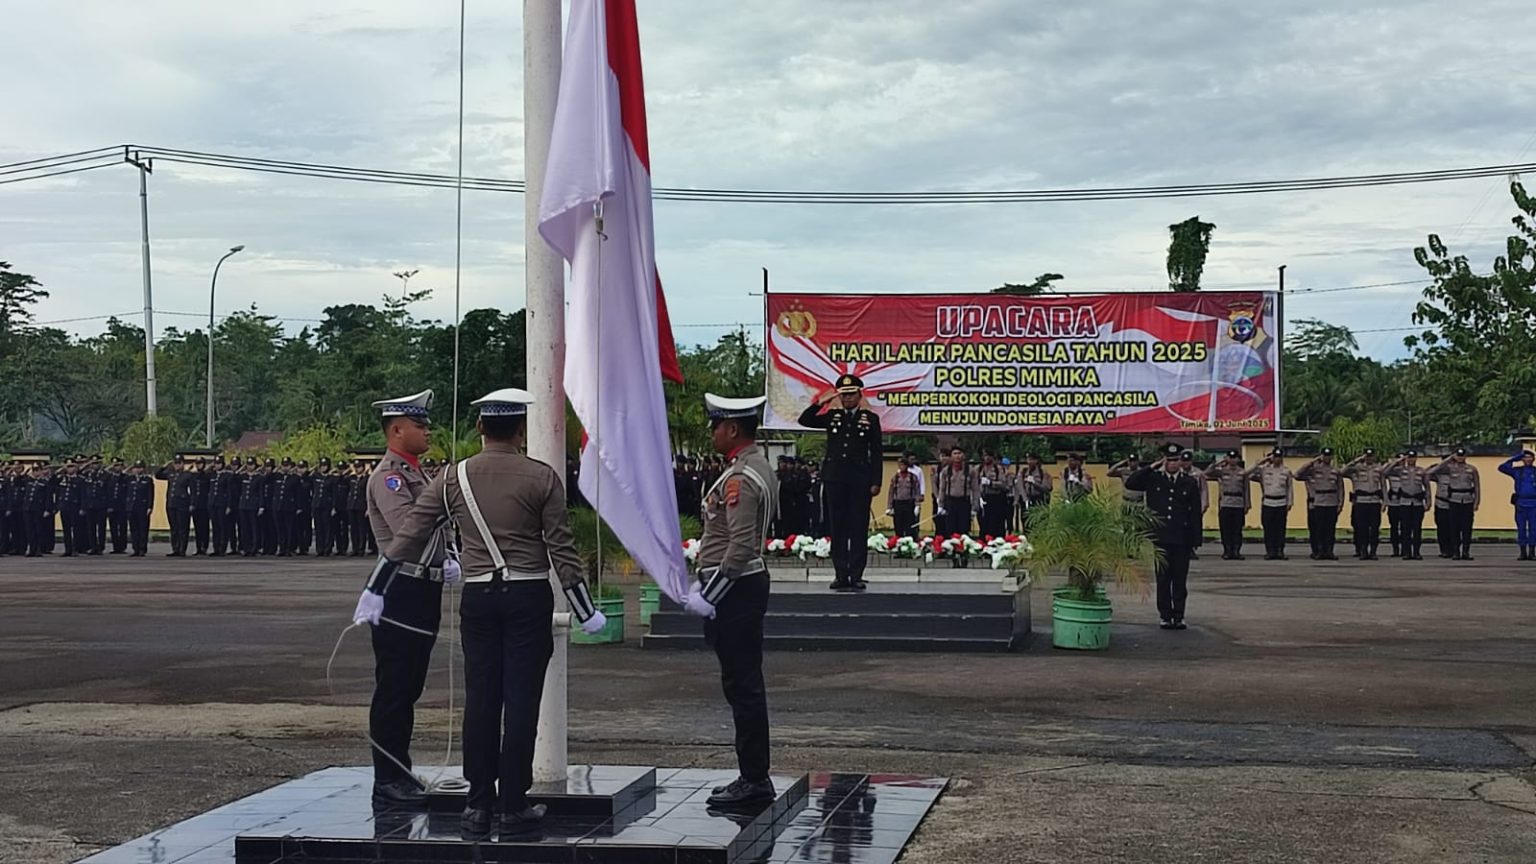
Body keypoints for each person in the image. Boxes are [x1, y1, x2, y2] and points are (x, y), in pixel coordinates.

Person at [366, 388, 605, 834]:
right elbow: (561, 548)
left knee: (481, 700)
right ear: (519, 429)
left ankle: (478, 803)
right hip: (528, 596)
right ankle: (512, 802)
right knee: (521, 701)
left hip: (478, 597)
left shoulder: (453, 476)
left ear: (480, 427)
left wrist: (377, 586)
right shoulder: (542, 476)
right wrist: (584, 607)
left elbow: (412, 530)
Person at [348, 390, 458, 809]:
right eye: (420, 425)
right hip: (401, 590)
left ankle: (399, 769)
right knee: (394, 688)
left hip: (424, 588)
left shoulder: (417, 473)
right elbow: (409, 531)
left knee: (409, 687)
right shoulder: (390, 477)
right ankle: (386, 778)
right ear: (397, 430)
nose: (427, 431)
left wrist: (449, 561)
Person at [681, 393, 779, 809]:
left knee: (743, 687)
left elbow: (739, 548)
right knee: (742, 684)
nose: (712, 433)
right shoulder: (752, 467)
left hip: (736, 592)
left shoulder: (741, 478)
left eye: (716, 426)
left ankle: (754, 778)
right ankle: (752, 775)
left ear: (733, 429)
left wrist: (709, 595)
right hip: (740, 590)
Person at [796, 373, 882, 592]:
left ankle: (856, 575)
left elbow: (877, 453)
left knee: (858, 527)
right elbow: (804, 420)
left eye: (851, 394)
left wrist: (876, 481)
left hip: (860, 480)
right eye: (843, 395)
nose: (848, 399)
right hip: (835, 479)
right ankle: (841, 574)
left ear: (860, 395)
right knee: (838, 527)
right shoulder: (832, 415)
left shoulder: (870, 419)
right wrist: (821, 402)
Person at [1124, 444, 1203, 630]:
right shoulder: (1154, 479)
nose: (1173, 464)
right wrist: (1152, 466)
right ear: (1164, 461)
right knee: (1163, 578)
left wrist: (1196, 539)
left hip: (1182, 539)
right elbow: (1131, 483)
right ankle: (1165, 615)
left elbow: (1195, 513)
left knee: (1179, 578)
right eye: (1169, 460)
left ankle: (1179, 615)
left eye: (1176, 461)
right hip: (1161, 538)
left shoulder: (1189, 482)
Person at [1428, 448, 1480, 560]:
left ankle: (1465, 551)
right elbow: (1429, 473)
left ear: (1466, 456)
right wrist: (1448, 459)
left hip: (1467, 500)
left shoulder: (1471, 469)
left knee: (1466, 528)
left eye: (1462, 455)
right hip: (1454, 501)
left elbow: (1476, 487)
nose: (1460, 458)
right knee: (1454, 527)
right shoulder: (1450, 468)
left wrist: (1476, 502)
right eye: (1458, 456)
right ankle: (1455, 552)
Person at [1296, 449, 1344, 560]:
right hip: (1319, 502)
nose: (1327, 458)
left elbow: (1340, 488)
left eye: (1329, 456)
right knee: (1319, 529)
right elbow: (1297, 474)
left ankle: (1329, 551)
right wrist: (1314, 461)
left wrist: (1340, 503)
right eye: (1325, 456)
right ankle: (1320, 551)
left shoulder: (1335, 471)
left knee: (1330, 529)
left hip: (1332, 501)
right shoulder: (1314, 470)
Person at [1246, 448, 1293, 560]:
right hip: (1268, 502)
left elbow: (1289, 488)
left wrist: (1290, 502)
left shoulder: (1286, 471)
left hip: (1281, 502)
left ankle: (1279, 551)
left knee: (1280, 529)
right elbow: (1248, 474)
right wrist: (1264, 460)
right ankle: (1270, 551)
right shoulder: (1264, 470)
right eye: (1275, 457)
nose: (1277, 459)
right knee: (1268, 529)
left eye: (1279, 457)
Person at [1383, 451, 1429, 560]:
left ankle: (1416, 552)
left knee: (1417, 529)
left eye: (1413, 458)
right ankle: (1407, 552)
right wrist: (1398, 461)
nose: (1411, 460)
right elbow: (1385, 472)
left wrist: (1428, 501)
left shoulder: (1421, 471)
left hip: (1417, 503)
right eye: (1409, 458)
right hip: (1404, 502)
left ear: (1416, 458)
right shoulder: (1400, 471)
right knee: (1405, 529)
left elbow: (1427, 487)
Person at [1204, 451, 1249, 560]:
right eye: (1230, 458)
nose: (1232, 460)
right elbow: (1207, 472)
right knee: (1225, 529)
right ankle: (1227, 551)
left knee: (1237, 529)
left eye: (1234, 458)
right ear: (1227, 458)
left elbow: (1246, 489)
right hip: (1225, 503)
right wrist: (1219, 463)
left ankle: (1236, 551)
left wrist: (1247, 503)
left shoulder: (1242, 472)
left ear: (1238, 459)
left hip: (1238, 502)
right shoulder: (1221, 471)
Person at [1343, 449, 1386, 560]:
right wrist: (1357, 460)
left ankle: (1373, 551)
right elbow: (1342, 471)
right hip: (1361, 502)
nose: (1369, 458)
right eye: (1367, 456)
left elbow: (1383, 486)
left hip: (1374, 501)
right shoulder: (1357, 469)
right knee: (1362, 528)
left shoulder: (1379, 469)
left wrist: (1385, 501)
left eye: (1371, 456)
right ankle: (1363, 551)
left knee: (1375, 528)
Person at [934, 447, 979, 541]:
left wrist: (975, 507)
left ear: (963, 455)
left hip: (964, 502)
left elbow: (975, 490)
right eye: (955, 453)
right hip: (950, 502)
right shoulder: (946, 471)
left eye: (959, 453)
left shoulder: (970, 470)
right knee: (950, 528)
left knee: (964, 529)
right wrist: (940, 505)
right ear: (951, 456)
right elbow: (942, 488)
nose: (957, 456)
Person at [1500, 449, 1536, 560]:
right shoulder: (1518, 471)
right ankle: (1523, 552)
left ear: (1533, 459)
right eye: (1525, 457)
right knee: (1521, 528)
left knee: (1533, 529)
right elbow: (1502, 467)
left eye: (1529, 457)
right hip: (1521, 503)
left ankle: (1532, 552)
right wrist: (1516, 457)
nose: (1527, 459)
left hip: (1534, 503)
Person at [156, 457, 193, 558]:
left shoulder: (188, 475)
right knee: (174, 528)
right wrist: (164, 466)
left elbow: (192, 490)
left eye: (179, 463)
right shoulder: (170, 473)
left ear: (183, 464)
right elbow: (158, 475)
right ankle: (175, 548)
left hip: (182, 504)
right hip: (171, 504)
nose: (177, 465)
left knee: (182, 528)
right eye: (175, 463)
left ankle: (182, 549)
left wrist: (191, 504)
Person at [886, 452, 922, 540]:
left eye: (904, 465)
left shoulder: (913, 477)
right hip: (898, 503)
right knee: (898, 525)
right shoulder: (895, 478)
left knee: (909, 525)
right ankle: (898, 542)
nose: (902, 467)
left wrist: (917, 505)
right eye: (900, 465)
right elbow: (891, 492)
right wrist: (889, 507)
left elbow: (917, 491)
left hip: (909, 503)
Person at [126, 461, 154, 556]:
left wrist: (150, 506)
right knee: (133, 529)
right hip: (132, 507)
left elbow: (150, 494)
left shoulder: (147, 480)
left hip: (142, 507)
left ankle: (142, 548)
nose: (137, 470)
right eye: (136, 468)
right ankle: (135, 548)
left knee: (143, 528)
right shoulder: (130, 479)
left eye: (139, 468)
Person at [311, 457, 337, 557]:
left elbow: (334, 494)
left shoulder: (331, 479)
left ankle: (327, 548)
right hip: (317, 504)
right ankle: (319, 549)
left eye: (325, 466)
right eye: (321, 466)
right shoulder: (316, 476)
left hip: (327, 505)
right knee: (319, 528)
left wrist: (334, 507)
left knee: (327, 528)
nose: (323, 468)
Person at [1015, 453, 1052, 521]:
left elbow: (1047, 488)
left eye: (1032, 460)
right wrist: (1024, 499)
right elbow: (1020, 486)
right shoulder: (1023, 471)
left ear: (1037, 461)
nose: (1029, 462)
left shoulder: (1043, 472)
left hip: (1039, 500)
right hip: (1026, 499)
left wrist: (1034, 483)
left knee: (1039, 521)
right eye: (1028, 459)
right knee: (1026, 521)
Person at [1384, 452, 1406, 557]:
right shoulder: (1391, 472)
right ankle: (1395, 549)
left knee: (1405, 528)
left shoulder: (1407, 471)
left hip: (1404, 503)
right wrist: (1394, 463)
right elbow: (1383, 473)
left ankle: (1405, 549)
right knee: (1394, 528)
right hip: (1393, 503)